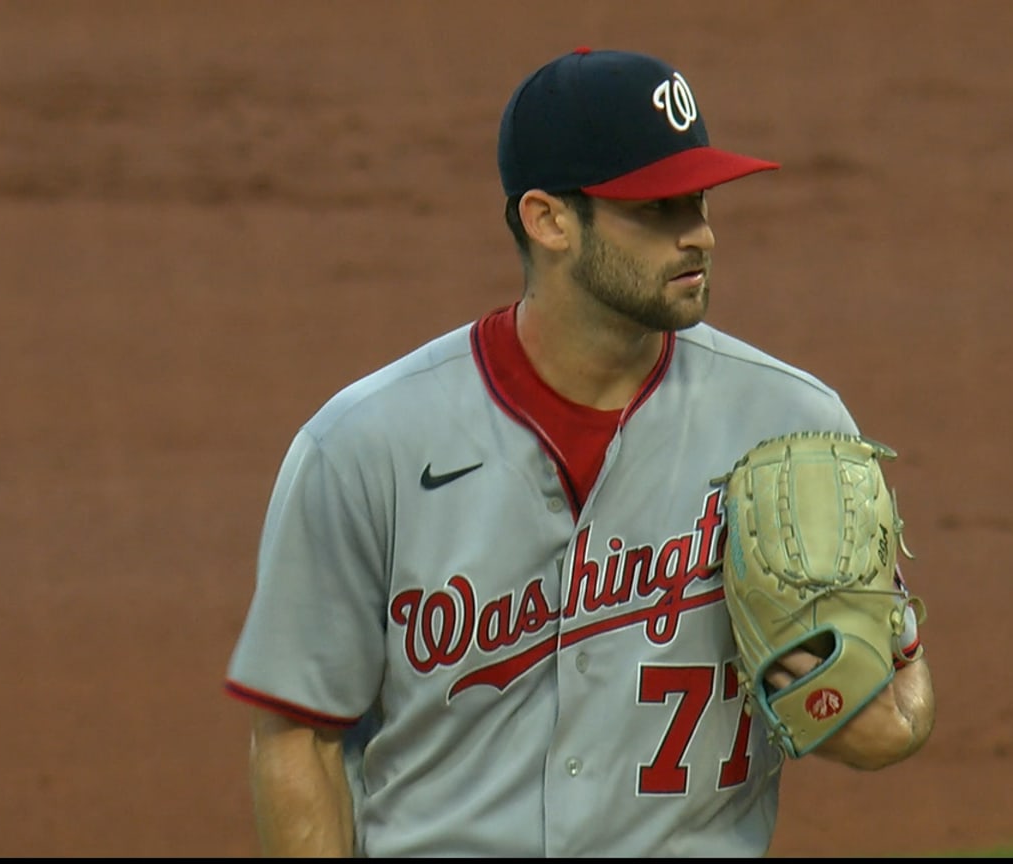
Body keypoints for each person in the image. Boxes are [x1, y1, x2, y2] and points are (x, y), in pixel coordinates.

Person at [224, 46, 935, 858]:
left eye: (698, 200)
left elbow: (890, 716)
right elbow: (296, 734)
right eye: (656, 209)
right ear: (549, 219)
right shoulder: (363, 446)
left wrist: (856, 701)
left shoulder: (794, 425)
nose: (698, 233)